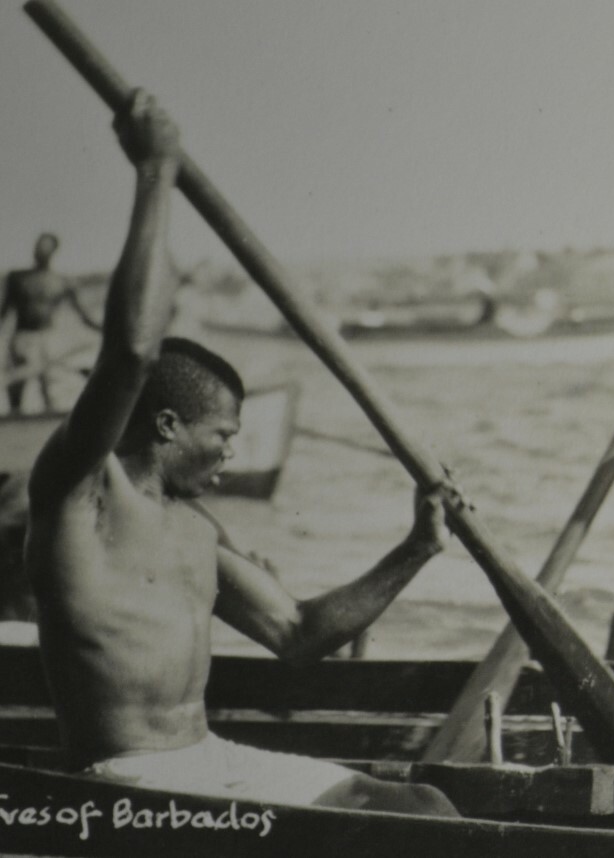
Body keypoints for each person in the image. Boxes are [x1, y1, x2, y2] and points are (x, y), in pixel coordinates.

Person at [27, 91, 456, 815]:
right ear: (166, 426)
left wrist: (418, 546)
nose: (231, 456)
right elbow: (130, 351)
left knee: (425, 809)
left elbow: (297, 634)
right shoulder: (80, 491)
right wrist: (154, 172)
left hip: (205, 761)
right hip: (126, 779)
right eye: (223, 437)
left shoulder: (199, 530)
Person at [3, 232, 102, 413]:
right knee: (16, 390)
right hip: (22, 339)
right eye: (38, 246)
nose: (40, 250)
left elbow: (83, 314)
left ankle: (49, 432)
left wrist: (105, 328)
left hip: (47, 341)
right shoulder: (18, 279)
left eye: (45, 247)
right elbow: (4, 313)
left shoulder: (61, 282)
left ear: (53, 251)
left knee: (50, 390)